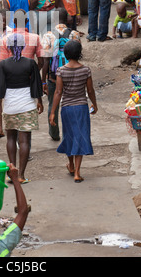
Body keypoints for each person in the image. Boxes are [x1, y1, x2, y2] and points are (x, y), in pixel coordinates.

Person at [0, 33, 43, 183]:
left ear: (8, 47)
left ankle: (13, 170)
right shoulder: (30, 63)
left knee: (10, 138)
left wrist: (0, 104)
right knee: (24, 141)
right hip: (27, 105)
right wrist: (39, 101)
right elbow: (36, 84)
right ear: (23, 47)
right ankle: (21, 175)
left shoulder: (3, 65)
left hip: (10, 106)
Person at [49, 40, 97, 183]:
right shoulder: (86, 70)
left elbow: (58, 92)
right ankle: (76, 172)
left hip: (67, 108)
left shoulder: (61, 70)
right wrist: (94, 104)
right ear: (79, 53)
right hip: (81, 108)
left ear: (66, 53)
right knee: (80, 136)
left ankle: (70, 165)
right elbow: (90, 90)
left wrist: (52, 113)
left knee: (69, 136)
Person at [41, 8, 80, 141]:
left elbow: (45, 61)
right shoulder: (74, 34)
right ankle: (72, 131)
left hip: (54, 76)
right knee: (72, 104)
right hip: (72, 76)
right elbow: (78, 56)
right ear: (67, 18)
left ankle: (54, 133)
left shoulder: (47, 36)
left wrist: (44, 81)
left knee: (53, 104)